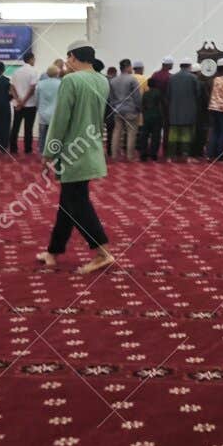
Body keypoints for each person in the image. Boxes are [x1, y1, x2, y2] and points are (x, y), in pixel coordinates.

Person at [36, 41, 113, 275]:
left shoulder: (71, 80)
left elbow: (60, 120)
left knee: (77, 204)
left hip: (72, 151)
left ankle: (102, 252)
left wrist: (49, 151)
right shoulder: (102, 81)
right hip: (90, 148)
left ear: (71, 57)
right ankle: (53, 251)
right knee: (68, 204)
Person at [109, 58, 142, 160]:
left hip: (117, 109)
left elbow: (111, 97)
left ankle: (114, 155)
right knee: (131, 133)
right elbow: (136, 96)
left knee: (117, 132)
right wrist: (139, 108)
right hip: (130, 109)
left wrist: (114, 106)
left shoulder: (113, 80)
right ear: (128, 67)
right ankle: (130, 156)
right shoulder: (132, 79)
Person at [166, 60, 199, 161]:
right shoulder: (193, 78)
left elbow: (168, 95)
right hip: (188, 110)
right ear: (189, 67)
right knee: (186, 134)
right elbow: (198, 94)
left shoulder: (172, 78)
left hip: (174, 111)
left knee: (173, 134)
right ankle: (185, 155)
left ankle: (171, 156)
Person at [8, 50, 40, 155]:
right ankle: (27, 149)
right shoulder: (33, 71)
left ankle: (13, 148)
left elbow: (12, 87)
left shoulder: (16, 71)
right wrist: (24, 101)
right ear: (31, 59)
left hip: (17, 105)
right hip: (30, 104)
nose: (34, 61)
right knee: (28, 128)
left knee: (15, 126)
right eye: (34, 59)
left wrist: (18, 100)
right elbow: (32, 88)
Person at [144, 57, 173, 162]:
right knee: (164, 131)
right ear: (168, 65)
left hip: (152, 108)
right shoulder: (170, 77)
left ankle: (145, 152)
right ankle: (164, 151)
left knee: (148, 132)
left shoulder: (155, 75)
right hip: (165, 107)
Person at [35, 62, 62, 156]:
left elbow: (36, 99)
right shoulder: (61, 83)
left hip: (43, 113)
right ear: (57, 73)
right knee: (54, 136)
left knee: (42, 135)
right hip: (56, 114)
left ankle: (42, 152)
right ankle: (54, 152)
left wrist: (39, 109)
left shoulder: (40, 84)